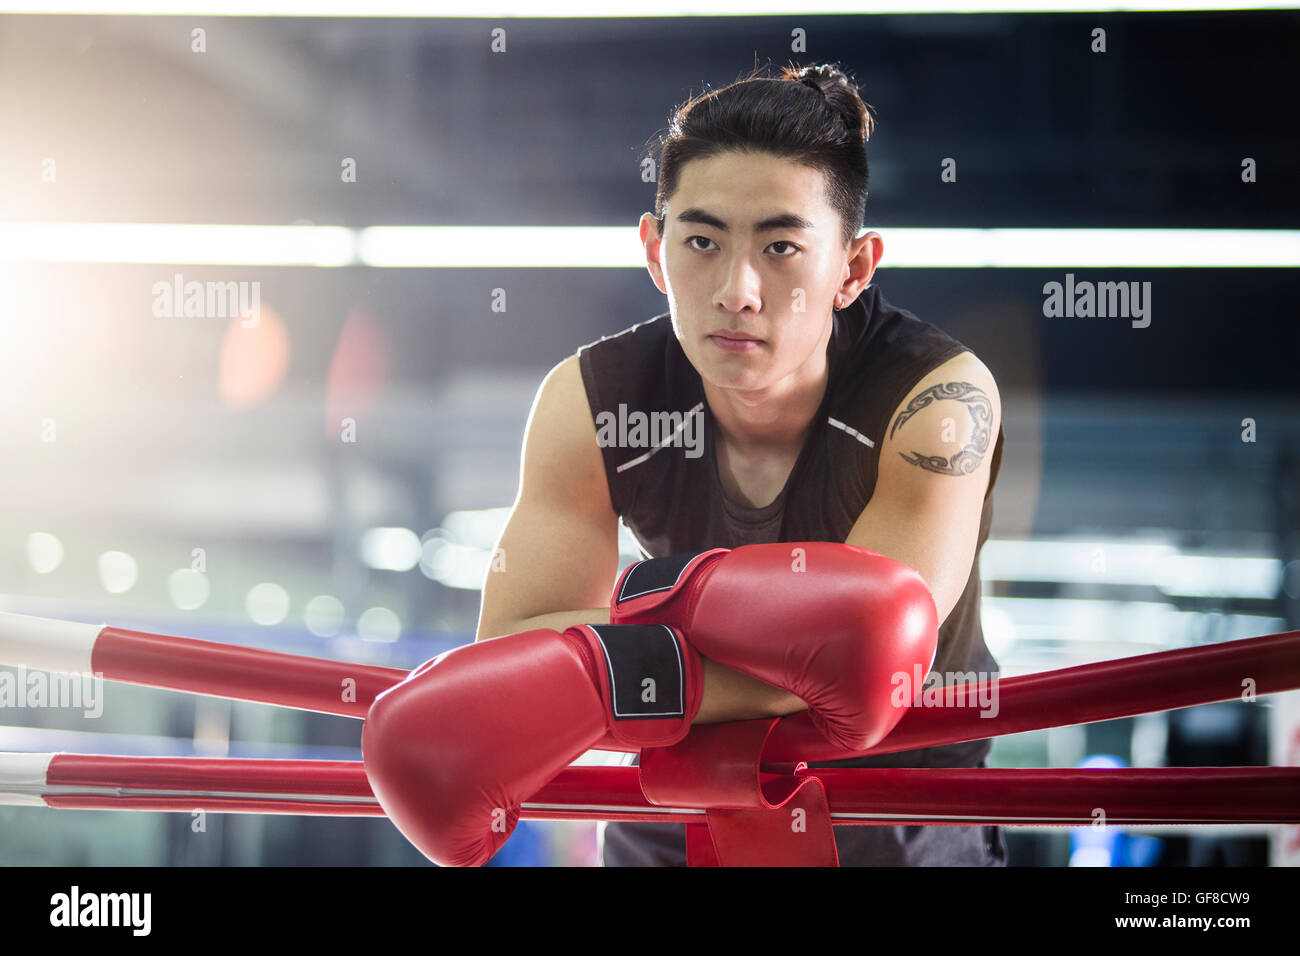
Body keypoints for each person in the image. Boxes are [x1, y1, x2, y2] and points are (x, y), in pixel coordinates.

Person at [474, 61, 1008, 866]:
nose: (737, 290)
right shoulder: (594, 399)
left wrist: (614, 655)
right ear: (655, 251)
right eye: (701, 241)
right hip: (684, 781)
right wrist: (711, 660)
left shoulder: (934, 398)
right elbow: (509, 650)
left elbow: (869, 660)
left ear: (853, 270)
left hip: (896, 790)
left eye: (783, 246)